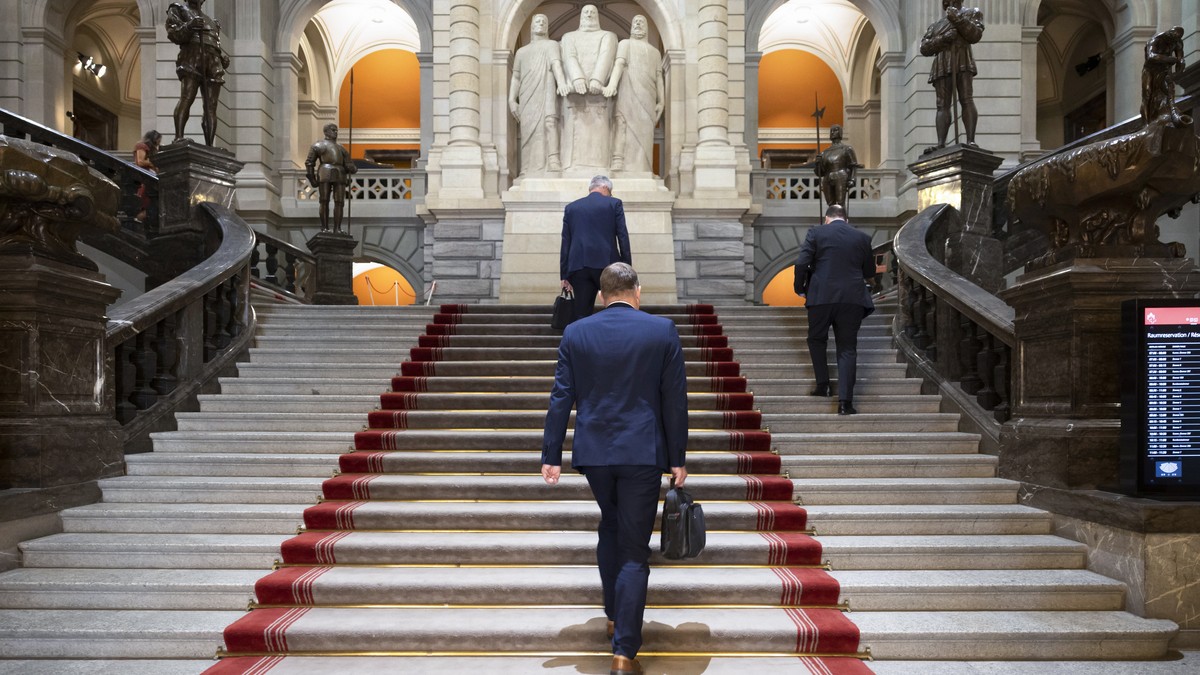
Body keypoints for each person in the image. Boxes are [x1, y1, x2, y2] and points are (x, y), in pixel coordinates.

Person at [541, 262, 688, 675]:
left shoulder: (576, 332)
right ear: (636, 291)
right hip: (642, 451)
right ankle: (624, 648)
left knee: (611, 525)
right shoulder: (661, 331)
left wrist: (550, 454)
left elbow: (560, 397)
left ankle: (612, 613)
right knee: (634, 549)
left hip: (596, 453)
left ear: (603, 294)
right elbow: (674, 399)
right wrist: (678, 455)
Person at [794, 204, 875, 415]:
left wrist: (800, 288)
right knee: (847, 348)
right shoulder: (862, 237)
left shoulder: (816, 232)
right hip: (852, 298)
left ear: (826, 218)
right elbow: (869, 270)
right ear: (846, 220)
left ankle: (823, 385)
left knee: (816, 339)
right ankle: (845, 403)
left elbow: (801, 263)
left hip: (821, 296)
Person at [560, 175, 631, 322]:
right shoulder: (614, 204)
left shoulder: (571, 208)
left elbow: (566, 243)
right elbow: (622, 236)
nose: (610, 195)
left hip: (579, 266)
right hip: (608, 265)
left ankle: (582, 343)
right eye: (610, 192)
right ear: (605, 187)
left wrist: (565, 275)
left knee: (581, 314)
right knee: (615, 309)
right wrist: (626, 266)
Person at [919, 0, 984, 153]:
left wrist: (958, 20)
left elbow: (975, 35)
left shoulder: (972, 13)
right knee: (942, 105)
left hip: (962, 58)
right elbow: (924, 47)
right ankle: (941, 143)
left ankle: (970, 140)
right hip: (942, 62)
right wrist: (943, 39)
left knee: (966, 99)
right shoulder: (936, 25)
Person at [510, 13, 571, 174]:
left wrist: (562, 83)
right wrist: (511, 100)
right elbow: (516, 77)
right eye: (537, 21)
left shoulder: (551, 45)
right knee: (528, 129)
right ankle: (527, 168)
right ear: (531, 26)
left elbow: (556, 64)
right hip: (527, 93)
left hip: (547, 88)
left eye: (544, 21)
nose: (541, 23)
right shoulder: (521, 52)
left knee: (550, 122)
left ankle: (553, 160)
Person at [560, 4, 618, 170]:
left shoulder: (608, 36)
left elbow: (606, 56)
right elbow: (569, 57)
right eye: (586, 11)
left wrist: (597, 80)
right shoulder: (568, 37)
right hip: (574, 93)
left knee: (598, 136)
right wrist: (577, 78)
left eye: (593, 12)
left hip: (599, 93)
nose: (589, 14)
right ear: (581, 16)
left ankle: (600, 167)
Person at [603, 15, 664, 173]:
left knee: (645, 132)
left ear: (646, 28)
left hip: (648, 96)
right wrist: (611, 85)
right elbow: (619, 64)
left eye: (641, 22)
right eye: (635, 21)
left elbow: (659, 77)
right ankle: (618, 160)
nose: (638, 24)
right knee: (622, 123)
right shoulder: (625, 44)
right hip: (627, 91)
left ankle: (644, 168)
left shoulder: (655, 53)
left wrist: (662, 101)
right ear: (631, 26)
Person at [166, 0, 229, 146]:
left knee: (211, 106)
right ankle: (179, 137)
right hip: (192, 56)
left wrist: (222, 58)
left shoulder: (212, 22)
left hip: (213, 61)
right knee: (187, 97)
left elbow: (215, 43)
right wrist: (190, 26)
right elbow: (173, 34)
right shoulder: (178, 9)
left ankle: (209, 145)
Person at [305, 124, 357, 233]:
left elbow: (348, 163)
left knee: (339, 202)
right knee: (324, 201)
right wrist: (312, 178)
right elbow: (310, 163)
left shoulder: (341, 148)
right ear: (326, 132)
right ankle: (324, 227)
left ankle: (337, 228)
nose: (335, 132)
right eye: (333, 130)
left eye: (336, 130)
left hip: (340, 173)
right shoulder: (319, 145)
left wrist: (351, 168)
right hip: (325, 171)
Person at [1142, 26, 1187, 125]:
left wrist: (1181, 64)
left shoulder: (1177, 42)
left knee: (1168, 91)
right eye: (1171, 38)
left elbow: (1180, 57)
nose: (1173, 42)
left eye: (1175, 39)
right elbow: (1150, 57)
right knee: (1148, 93)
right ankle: (1145, 123)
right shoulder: (1156, 40)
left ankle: (1171, 114)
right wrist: (1170, 59)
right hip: (1150, 70)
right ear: (1168, 35)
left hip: (1164, 69)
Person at [814, 125, 860, 211]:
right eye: (831, 131)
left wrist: (852, 180)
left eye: (835, 130)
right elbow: (820, 173)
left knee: (840, 202)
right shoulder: (825, 152)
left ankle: (841, 220)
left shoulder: (846, 149)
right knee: (830, 203)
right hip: (827, 177)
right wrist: (817, 163)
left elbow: (853, 166)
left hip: (841, 174)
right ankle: (831, 220)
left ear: (840, 133)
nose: (832, 132)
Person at [132, 130, 161, 223]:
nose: (159, 143)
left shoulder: (151, 148)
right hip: (143, 177)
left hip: (149, 176)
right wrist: (152, 164)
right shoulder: (142, 146)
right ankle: (138, 220)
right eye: (158, 140)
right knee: (146, 202)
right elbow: (140, 161)